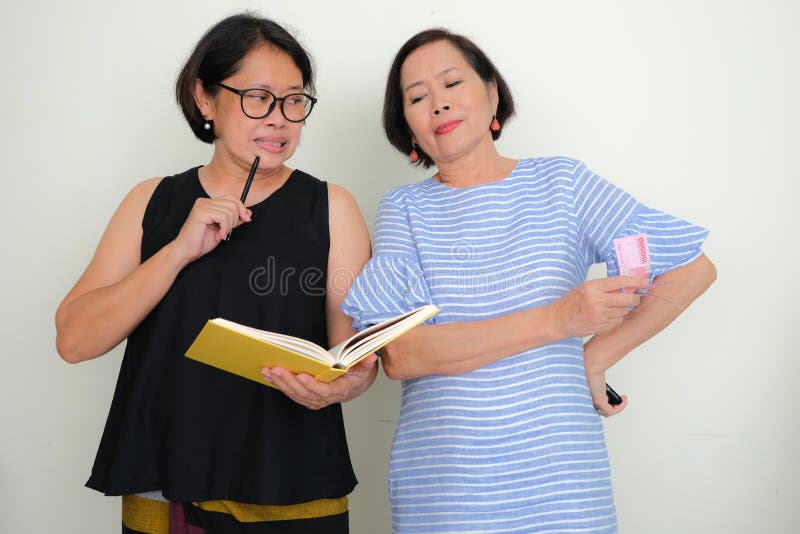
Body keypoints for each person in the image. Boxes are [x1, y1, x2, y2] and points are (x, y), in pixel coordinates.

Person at [342, 28, 716, 533]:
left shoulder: (563, 184)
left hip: (562, 485)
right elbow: (403, 355)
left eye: (452, 83)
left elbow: (692, 268)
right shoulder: (405, 209)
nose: (438, 104)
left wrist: (596, 355)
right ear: (408, 127)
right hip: (446, 490)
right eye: (417, 97)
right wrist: (558, 320)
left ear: (492, 93)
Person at [55, 13, 375, 533]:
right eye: (257, 96)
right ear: (207, 100)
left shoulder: (332, 206)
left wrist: (347, 383)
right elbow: (73, 340)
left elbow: (351, 353)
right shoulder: (152, 201)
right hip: (168, 480)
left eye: (294, 100)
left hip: (293, 480)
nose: (278, 118)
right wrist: (179, 250)